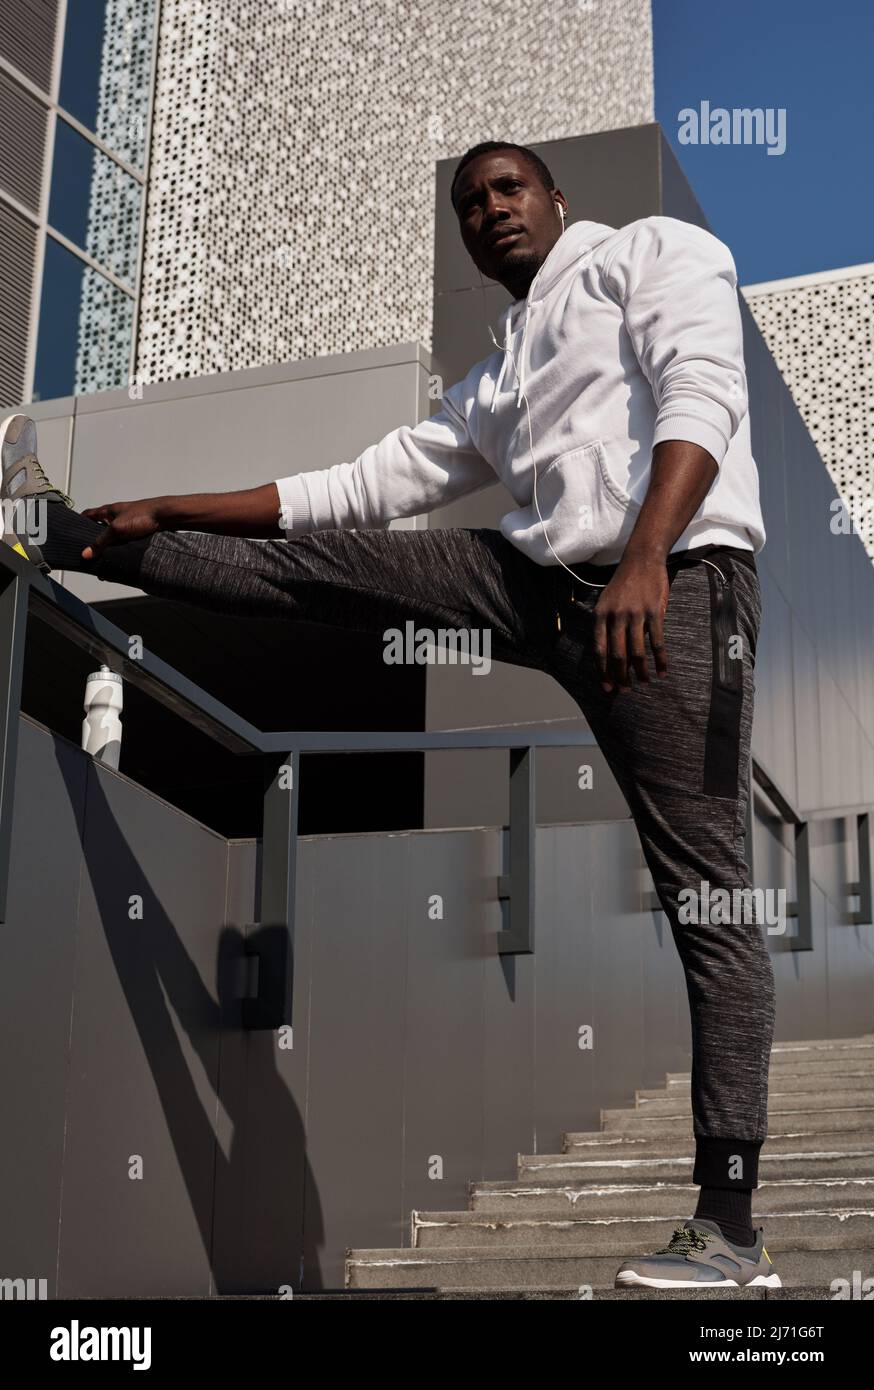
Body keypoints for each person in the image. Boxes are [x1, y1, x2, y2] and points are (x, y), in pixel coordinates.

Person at [0, 139, 779, 1290]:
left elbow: (703, 395)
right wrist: (169, 500)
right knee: (331, 561)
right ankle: (61, 533)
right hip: (535, 584)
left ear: (557, 197)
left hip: (673, 589)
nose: (489, 211)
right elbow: (364, 485)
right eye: (469, 204)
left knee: (706, 891)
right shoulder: (506, 362)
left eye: (507, 189)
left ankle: (730, 1226)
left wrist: (648, 556)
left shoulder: (656, 253)